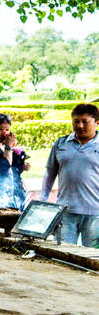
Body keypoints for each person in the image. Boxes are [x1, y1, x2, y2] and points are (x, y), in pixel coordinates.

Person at [40, 102, 99, 248]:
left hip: (95, 213)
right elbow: (50, 173)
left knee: (92, 257)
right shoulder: (61, 144)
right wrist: (43, 198)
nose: (80, 126)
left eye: (85, 122)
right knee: (62, 253)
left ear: (97, 122)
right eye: (76, 121)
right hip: (65, 211)